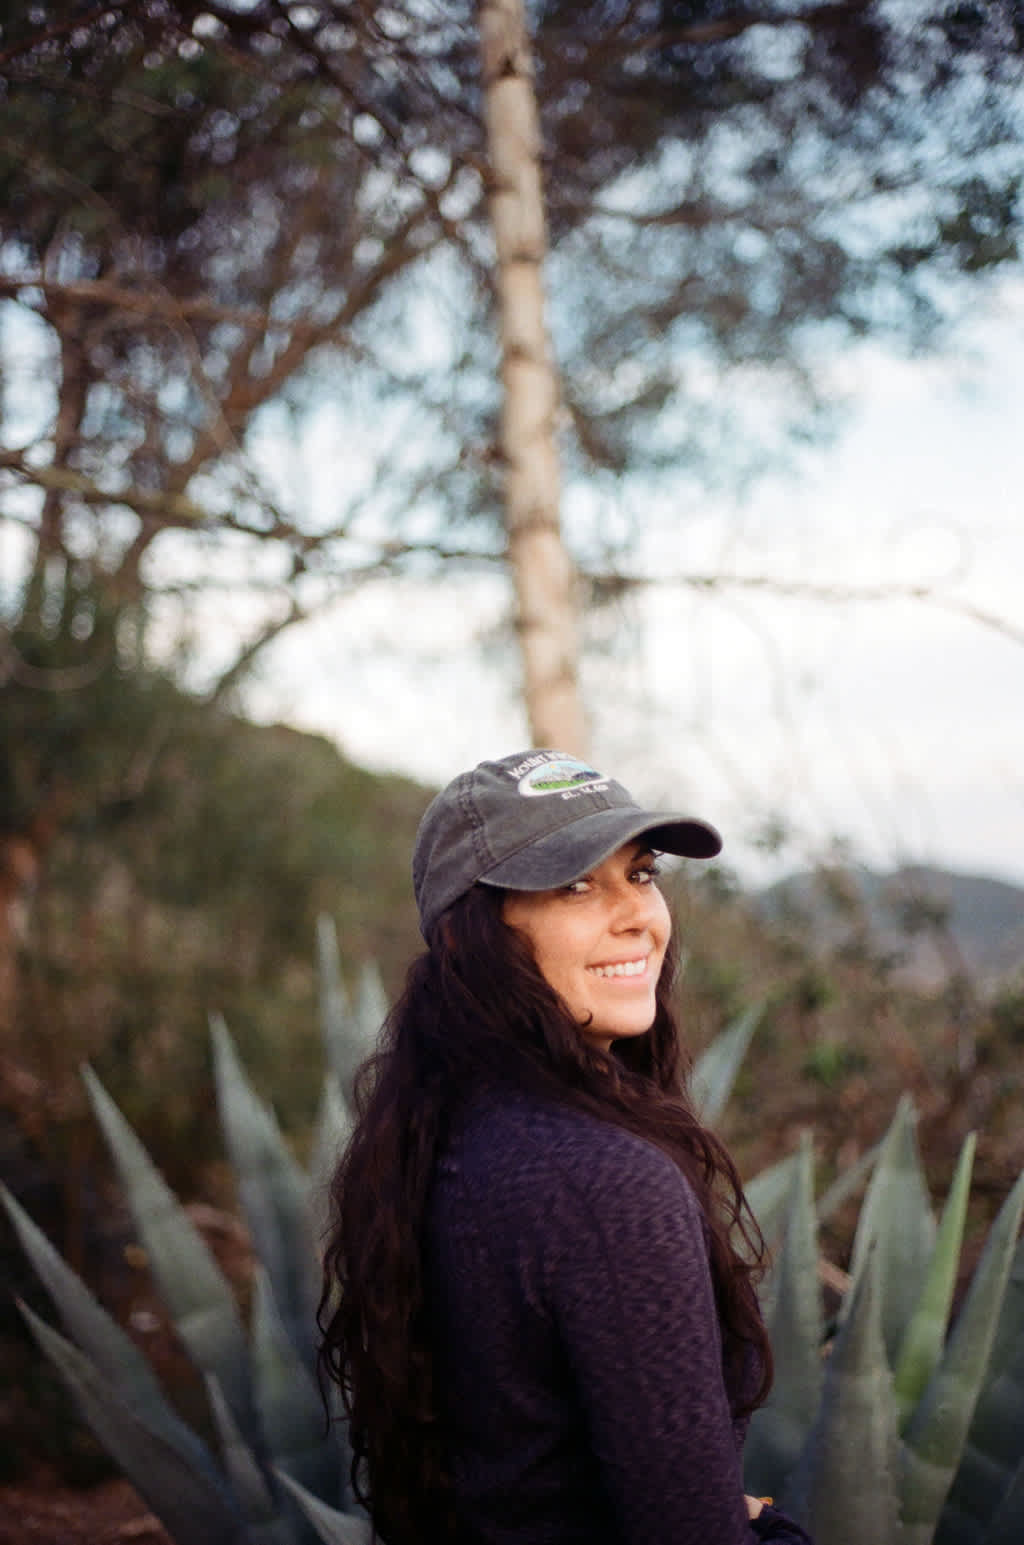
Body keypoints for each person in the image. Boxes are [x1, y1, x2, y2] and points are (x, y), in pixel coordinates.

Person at [318, 750, 814, 1545]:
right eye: (576, 884)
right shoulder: (605, 1184)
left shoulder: (448, 1134)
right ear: (467, 939)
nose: (637, 916)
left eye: (642, 874)